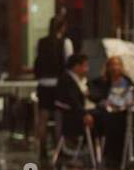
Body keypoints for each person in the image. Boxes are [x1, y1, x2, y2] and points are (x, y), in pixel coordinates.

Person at [34, 15, 73, 152]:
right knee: (58, 116)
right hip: (58, 84)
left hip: (43, 83)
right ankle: (59, 148)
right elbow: (69, 63)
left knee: (43, 117)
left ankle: (42, 148)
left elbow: (37, 61)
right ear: (63, 27)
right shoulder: (65, 43)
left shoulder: (40, 42)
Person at [89, 54, 134, 165]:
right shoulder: (101, 82)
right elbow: (95, 96)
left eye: (118, 65)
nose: (115, 68)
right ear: (108, 67)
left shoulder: (127, 81)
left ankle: (126, 155)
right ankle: (112, 156)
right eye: (112, 65)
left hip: (124, 111)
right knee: (111, 121)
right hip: (107, 112)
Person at [54, 52, 94, 140]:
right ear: (77, 66)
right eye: (85, 66)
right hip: (71, 114)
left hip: (81, 110)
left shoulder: (82, 80)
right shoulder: (67, 80)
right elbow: (73, 100)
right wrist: (84, 114)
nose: (87, 69)